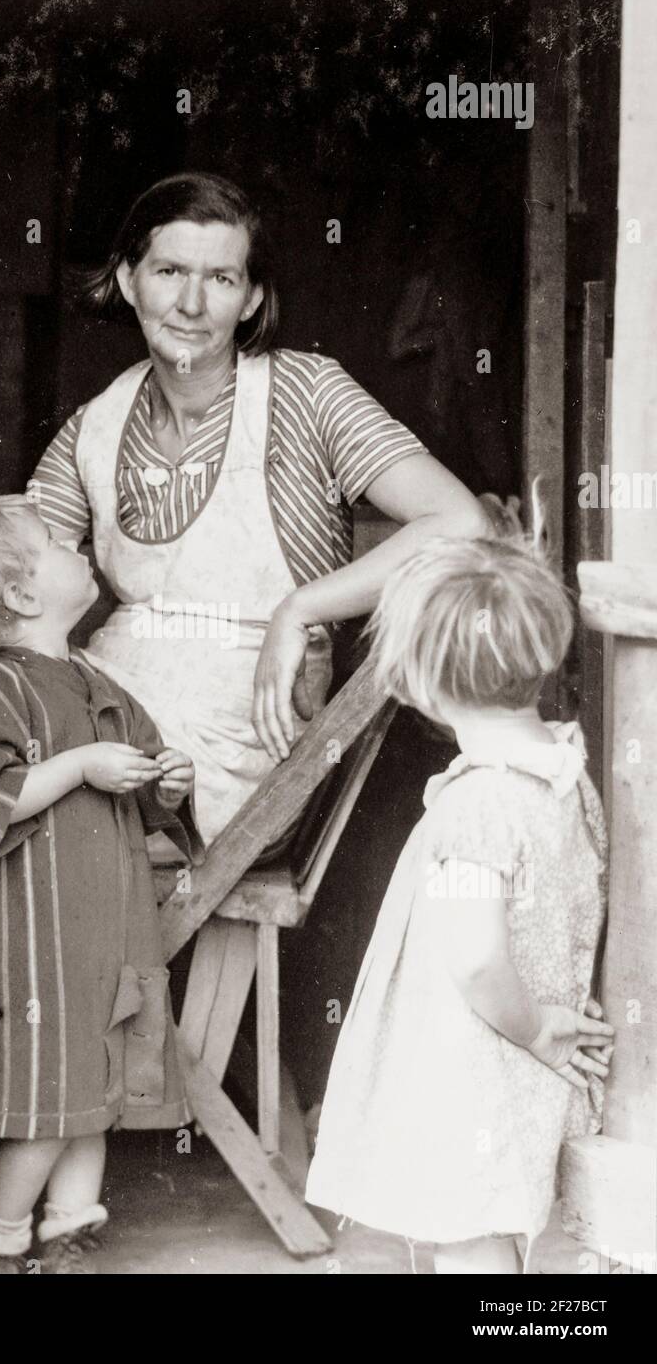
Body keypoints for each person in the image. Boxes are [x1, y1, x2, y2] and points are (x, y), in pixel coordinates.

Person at [32, 171, 491, 844]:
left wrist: (300, 609)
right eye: (169, 271)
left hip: (248, 741)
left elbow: (461, 522)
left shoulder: (308, 393)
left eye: (220, 279)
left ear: (251, 299)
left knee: (51, 813)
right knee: (15, 766)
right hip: (115, 711)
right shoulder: (94, 426)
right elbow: (2, 573)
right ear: (129, 280)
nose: (191, 303)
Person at [305, 527, 614, 1274]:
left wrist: (536, 1028)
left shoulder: (475, 807)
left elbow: (477, 958)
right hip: (510, 1052)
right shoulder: (561, 768)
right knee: (492, 1221)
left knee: (468, 1235)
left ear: (416, 685)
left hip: (479, 1056)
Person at [0, 496, 198, 1274]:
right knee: (47, 1108)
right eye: (54, 542)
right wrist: (79, 766)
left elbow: (143, 778)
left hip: (102, 935)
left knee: (93, 1103)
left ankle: (68, 1239)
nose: (76, 545)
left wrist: (166, 782)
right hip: (37, 943)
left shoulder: (89, 677)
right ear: (21, 595)